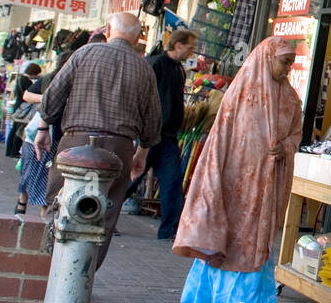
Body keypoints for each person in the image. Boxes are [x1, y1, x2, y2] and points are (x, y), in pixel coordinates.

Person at [173, 37, 301, 303]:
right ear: (267, 58)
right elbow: (221, 140)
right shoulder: (241, 93)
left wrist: (284, 147)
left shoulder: (290, 98)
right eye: (284, 61)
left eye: (291, 63)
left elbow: (296, 133)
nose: (288, 68)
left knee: (251, 244)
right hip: (234, 186)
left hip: (267, 187)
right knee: (232, 242)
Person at [36, 13, 161, 269]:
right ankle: (84, 275)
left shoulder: (84, 54)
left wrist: (42, 128)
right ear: (138, 37)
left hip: (76, 143)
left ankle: (48, 270)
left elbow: (53, 95)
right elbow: (153, 120)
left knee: (60, 203)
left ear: (108, 31)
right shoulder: (144, 68)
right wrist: (141, 153)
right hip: (119, 148)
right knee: (104, 214)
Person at [127, 28, 196, 240]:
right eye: (190, 47)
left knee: (172, 181)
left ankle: (169, 230)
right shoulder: (155, 64)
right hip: (149, 134)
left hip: (168, 136)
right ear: (178, 45)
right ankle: (104, 215)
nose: (191, 52)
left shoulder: (179, 69)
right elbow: (140, 95)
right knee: (131, 178)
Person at [16, 52, 69, 217]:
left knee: (47, 178)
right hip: (41, 133)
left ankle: (36, 214)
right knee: (35, 173)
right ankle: (24, 207)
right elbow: (27, 95)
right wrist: (47, 98)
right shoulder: (51, 79)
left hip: (53, 135)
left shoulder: (72, 81)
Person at [5, 62, 42, 158]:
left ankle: (9, 150)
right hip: (24, 108)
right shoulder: (27, 82)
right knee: (20, 130)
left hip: (19, 106)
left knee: (14, 129)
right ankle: (14, 150)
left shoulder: (20, 79)